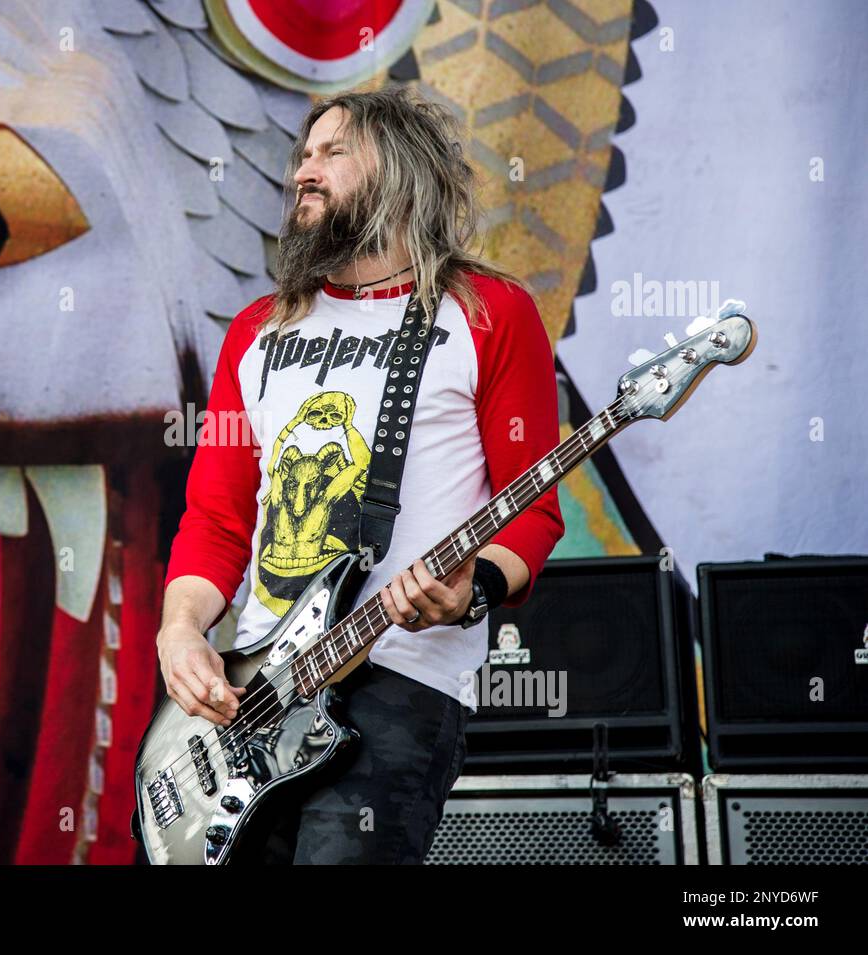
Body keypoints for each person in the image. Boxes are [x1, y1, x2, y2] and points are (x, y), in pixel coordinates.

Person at [157, 86, 564, 864]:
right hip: (254, 693)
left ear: (401, 173)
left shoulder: (488, 313)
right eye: (303, 155)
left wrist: (470, 588)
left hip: (399, 683)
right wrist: (180, 631)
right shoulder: (258, 332)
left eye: (333, 153)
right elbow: (216, 521)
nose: (305, 171)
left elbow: (534, 512)